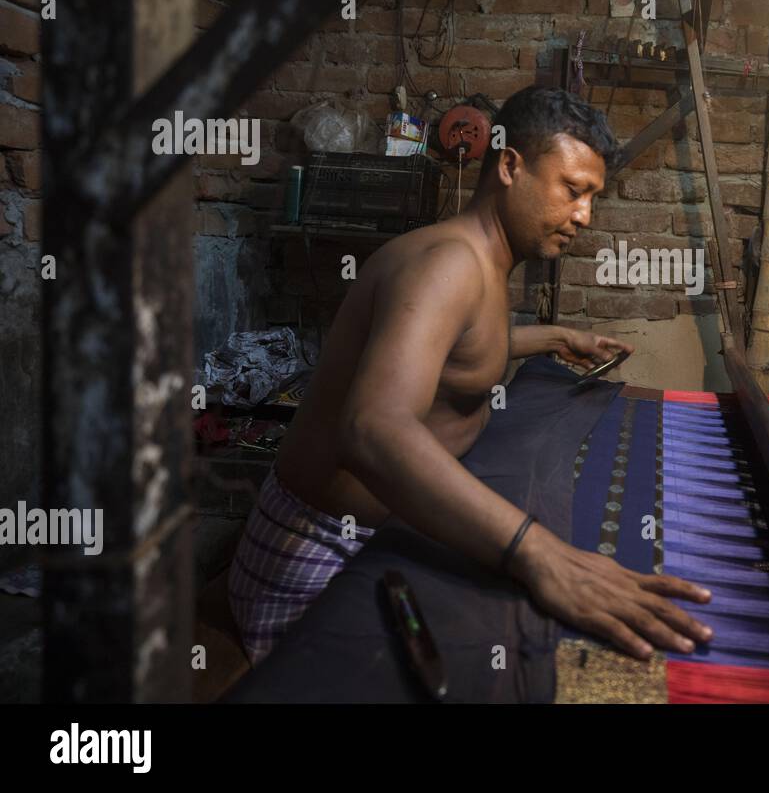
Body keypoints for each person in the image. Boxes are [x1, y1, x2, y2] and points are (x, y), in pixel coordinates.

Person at [229, 87, 713, 664]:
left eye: (592, 197)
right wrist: (536, 551)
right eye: (573, 191)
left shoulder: (480, 257)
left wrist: (558, 338)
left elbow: (459, 352)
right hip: (320, 553)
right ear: (510, 165)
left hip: (364, 537)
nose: (585, 215)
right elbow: (374, 426)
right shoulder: (449, 265)